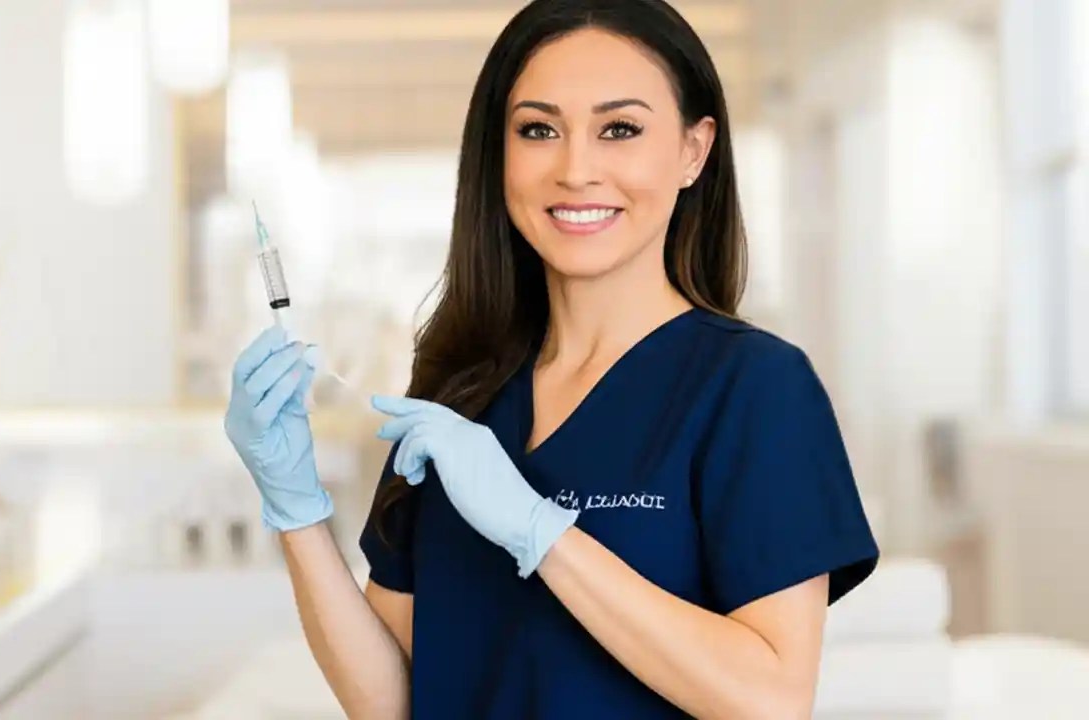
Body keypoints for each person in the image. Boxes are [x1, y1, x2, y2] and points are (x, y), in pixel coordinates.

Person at [222, 0, 880, 717]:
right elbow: (391, 700)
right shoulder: (460, 393)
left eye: (619, 129)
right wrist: (295, 508)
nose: (575, 170)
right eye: (539, 130)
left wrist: (539, 532)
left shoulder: (756, 390)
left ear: (694, 150)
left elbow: (771, 701)